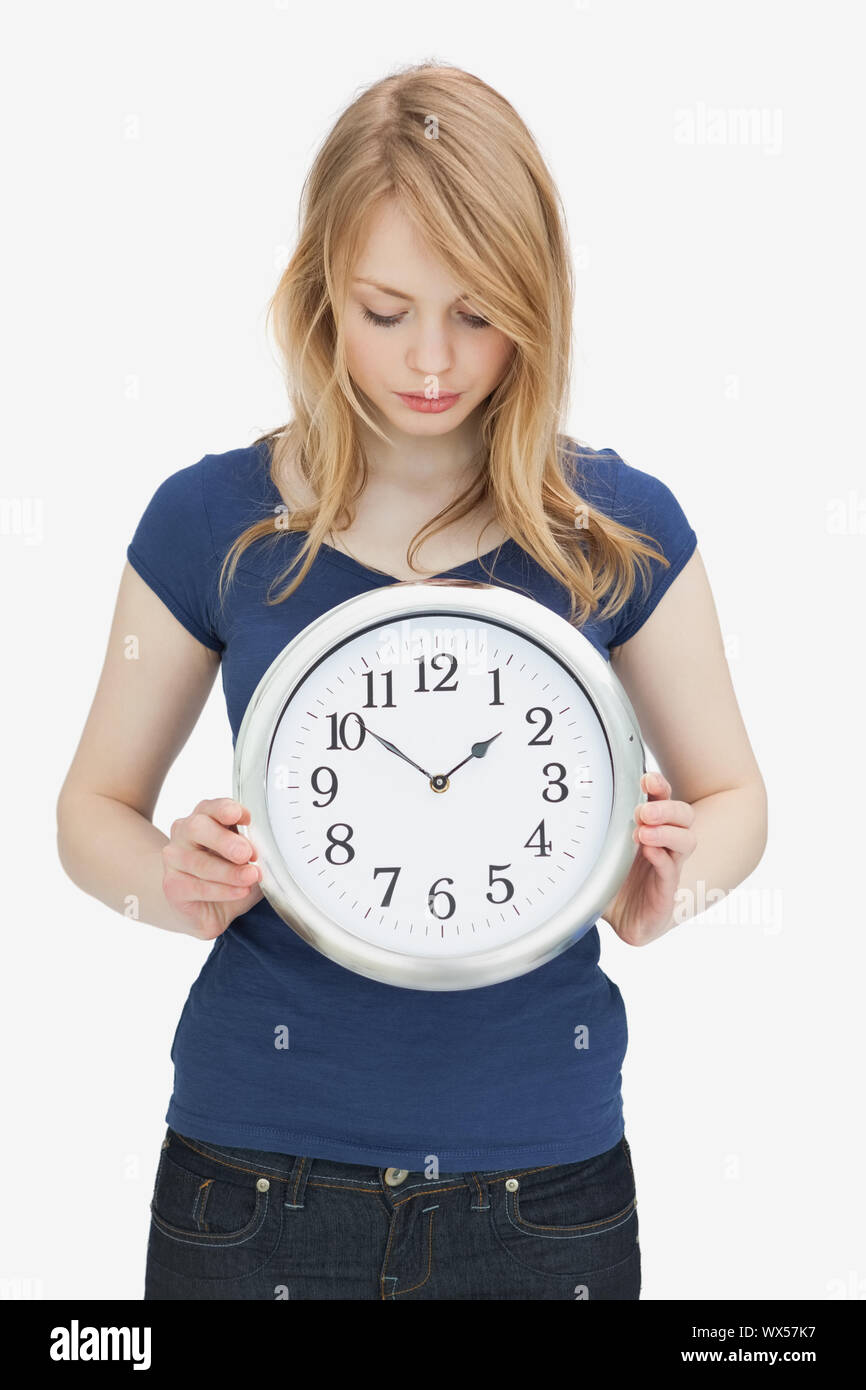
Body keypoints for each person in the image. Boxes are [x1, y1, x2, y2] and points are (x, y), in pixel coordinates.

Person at [56, 63, 767, 1301]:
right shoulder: (212, 519)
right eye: (385, 311)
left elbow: (737, 798)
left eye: (477, 313)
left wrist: (673, 886)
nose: (430, 361)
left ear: (534, 303)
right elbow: (88, 816)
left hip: (542, 1191)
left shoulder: (616, 526)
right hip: (254, 1182)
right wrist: (170, 882)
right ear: (320, 293)